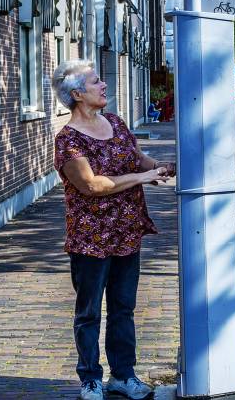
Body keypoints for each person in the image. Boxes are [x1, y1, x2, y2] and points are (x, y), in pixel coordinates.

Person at [52, 59, 174, 400]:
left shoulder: (116, 123)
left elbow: (137, 158)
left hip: (126, 232)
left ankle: (123, 375)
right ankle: (90, 378)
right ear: (78, 94)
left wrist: (163, 167)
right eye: (95, 82)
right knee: (89, 312)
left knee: (123, 307)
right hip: (91, 238)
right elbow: (91, 185)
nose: (104, 85)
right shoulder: (68, 140)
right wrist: (144, 177)